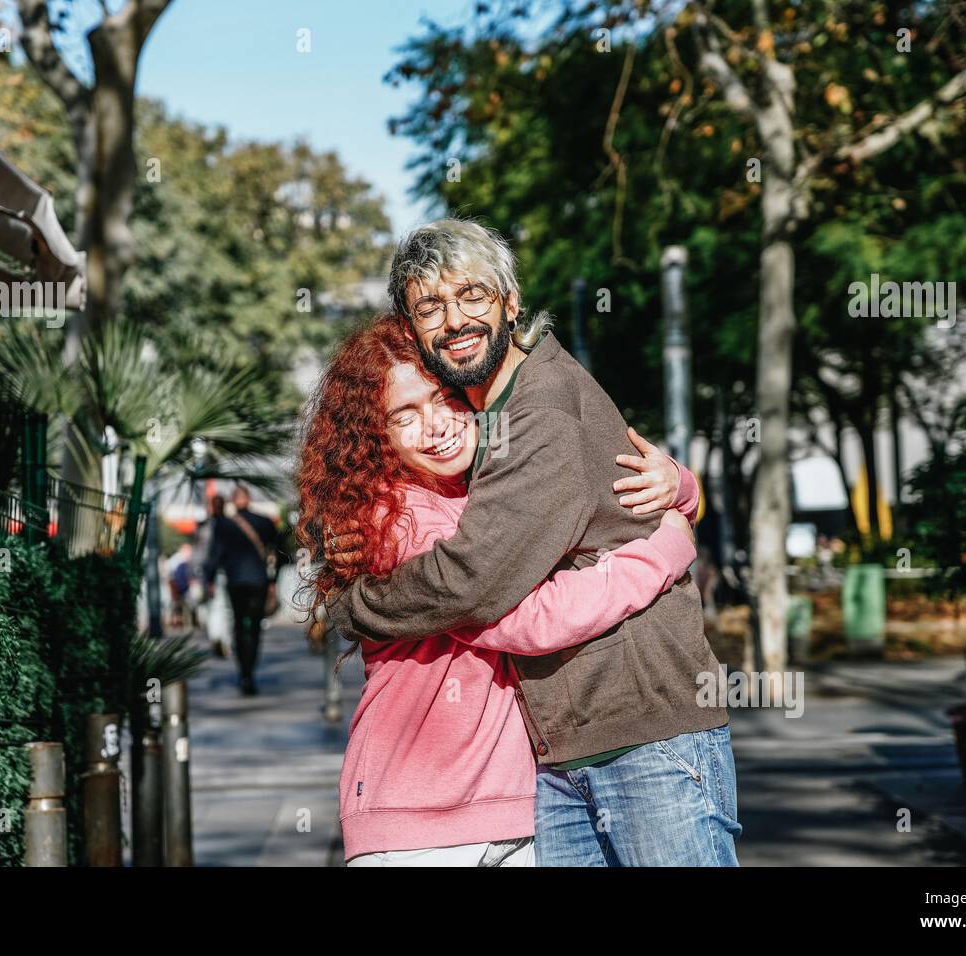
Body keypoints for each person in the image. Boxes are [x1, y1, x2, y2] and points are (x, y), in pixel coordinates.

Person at [326, 218, 741, 866]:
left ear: (511, 303)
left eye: (473, 296)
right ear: (412, 329)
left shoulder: (533, 412)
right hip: (549, 763)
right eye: (430, 306)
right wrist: (680, 502)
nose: (455, 319)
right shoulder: (487, 434)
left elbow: (474, 585)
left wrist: (357, 606)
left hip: (639, 737)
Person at [203, 486, 278, 695]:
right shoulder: (265, 522)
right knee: (254, 627)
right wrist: (274, 579)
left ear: (233, 501)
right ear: (249, 499)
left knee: (238, 625)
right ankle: (250, 670)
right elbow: (279, 550)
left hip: (235, 581)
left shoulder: (223, 525)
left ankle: (243, 672)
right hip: (258, 581)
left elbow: (216, 555)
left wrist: (208, 579)